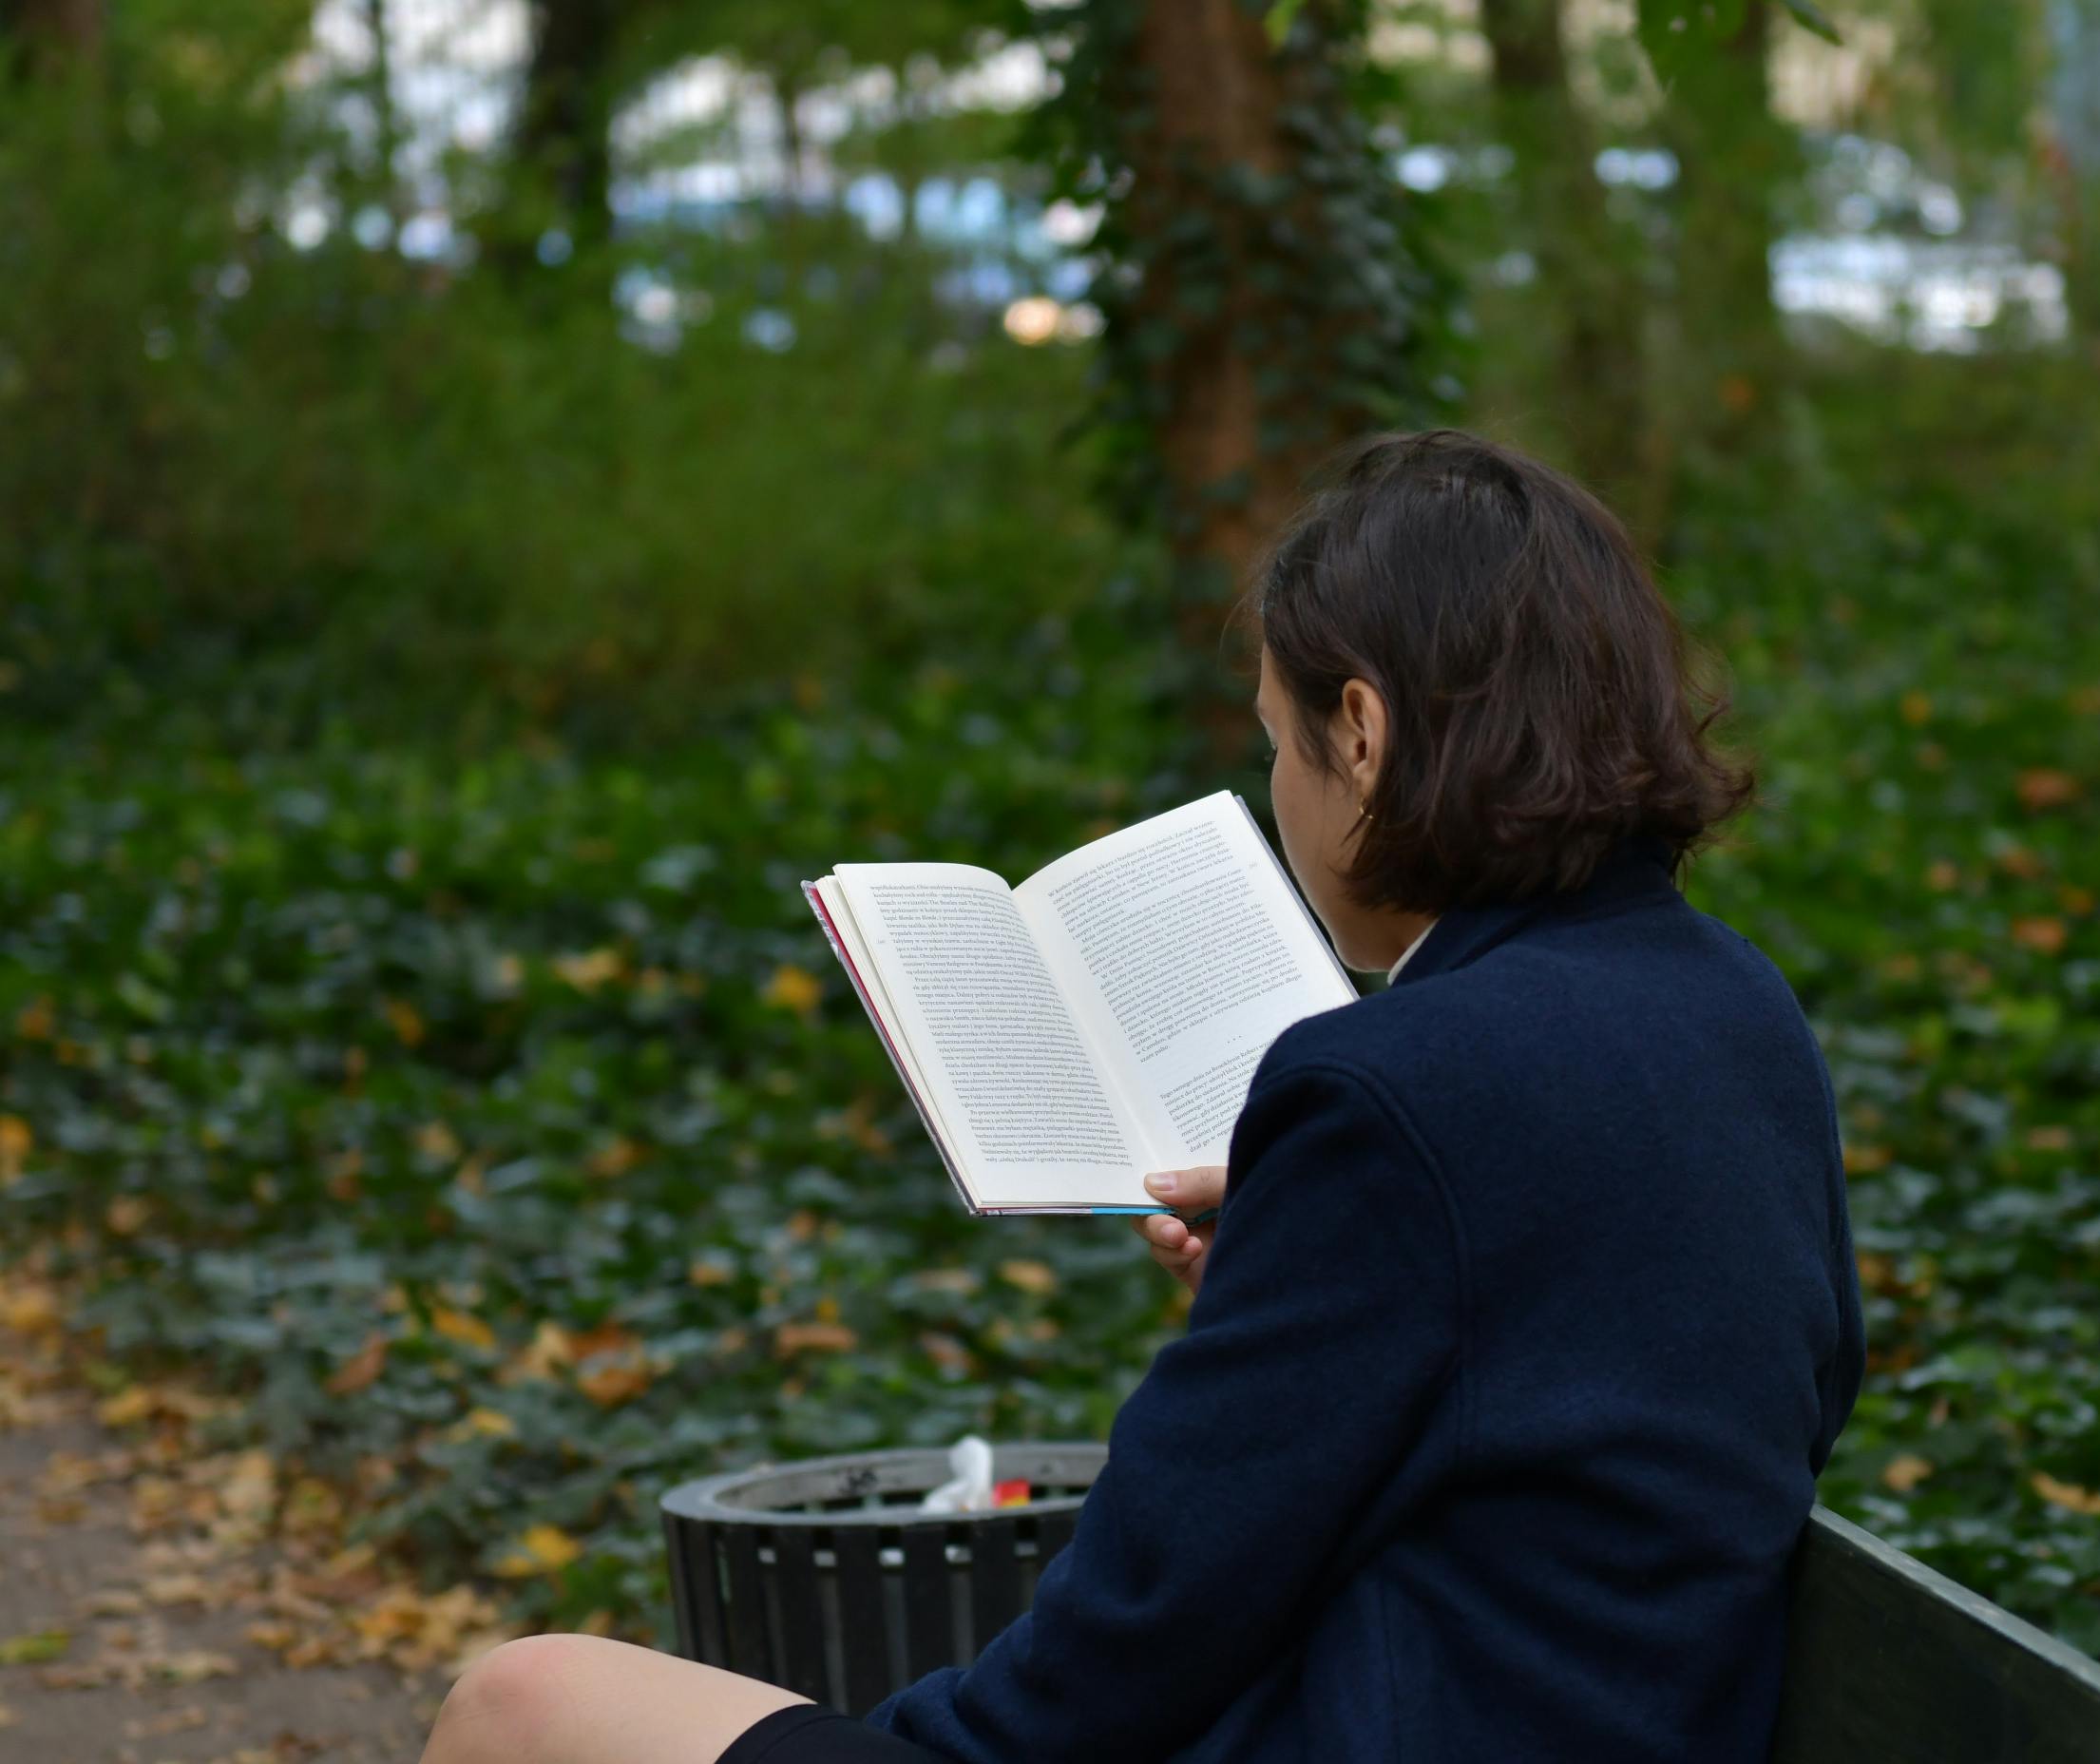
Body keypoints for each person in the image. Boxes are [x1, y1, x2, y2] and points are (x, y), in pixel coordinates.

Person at [416, 430, 1862, 1764]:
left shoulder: (1389, 1087)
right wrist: (1304, 1268)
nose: (1284, 793)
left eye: (1278, 742)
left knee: (523, 1700)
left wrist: (887, 1741)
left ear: (1360, 732)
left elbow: (1134, 1640)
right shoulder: (1737, 1007)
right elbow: (1717, 1399)